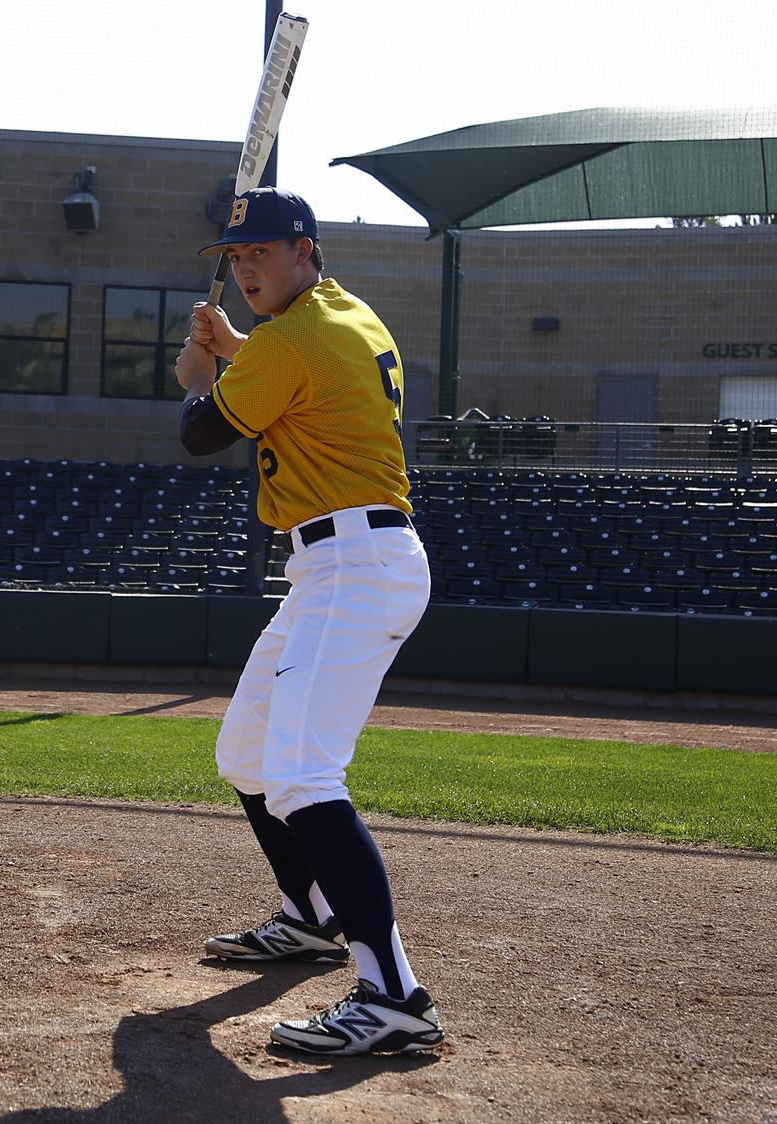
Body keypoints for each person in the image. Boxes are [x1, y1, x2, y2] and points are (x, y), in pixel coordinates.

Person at [173, 186, 441, 1056]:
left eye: (262, 252)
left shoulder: (292, 339)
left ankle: (394, 994)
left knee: (301, 776)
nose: (247, 269)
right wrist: (243, 351)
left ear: (305, 249)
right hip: (340, 560)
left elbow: (201, 432)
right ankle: (311, 916)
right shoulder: (347, 317)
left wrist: (202, 373)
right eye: (235, 258)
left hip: (354, 565)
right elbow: (301, 374)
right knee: (247, 755)